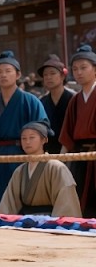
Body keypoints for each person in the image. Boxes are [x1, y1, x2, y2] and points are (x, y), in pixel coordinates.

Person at [0, 51, 47, 213]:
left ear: (18, 74)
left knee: (23, 195)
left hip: (24, 155)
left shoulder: (30, 100)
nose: (3, 75)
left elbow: (42, 126)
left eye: (8, 71)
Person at [0, 122, 82, 218]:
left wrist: (56, 224)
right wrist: (1, 219)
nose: (27, 142)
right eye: (24, 138)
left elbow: (66, 203)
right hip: (26, 222)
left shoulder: (56, 168)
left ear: (44, 140)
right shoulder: (20, 171)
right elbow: (8, 204)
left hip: (50, 222)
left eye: (32, 137)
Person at [58, 44, 96, 218]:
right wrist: (61, 163)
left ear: (94, 69)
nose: (79, 72)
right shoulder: (75, 100)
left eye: (83, 67)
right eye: (75, 69)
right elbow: (67, 135)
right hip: (79, 157)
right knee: (81, 201)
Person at [37, 55, 73, 154]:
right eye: (45, 75)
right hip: (49, 150)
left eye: (52, 73)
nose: (48, 77)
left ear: (62, 76)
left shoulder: (73, 98)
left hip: (71, 150)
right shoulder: (42, 102)